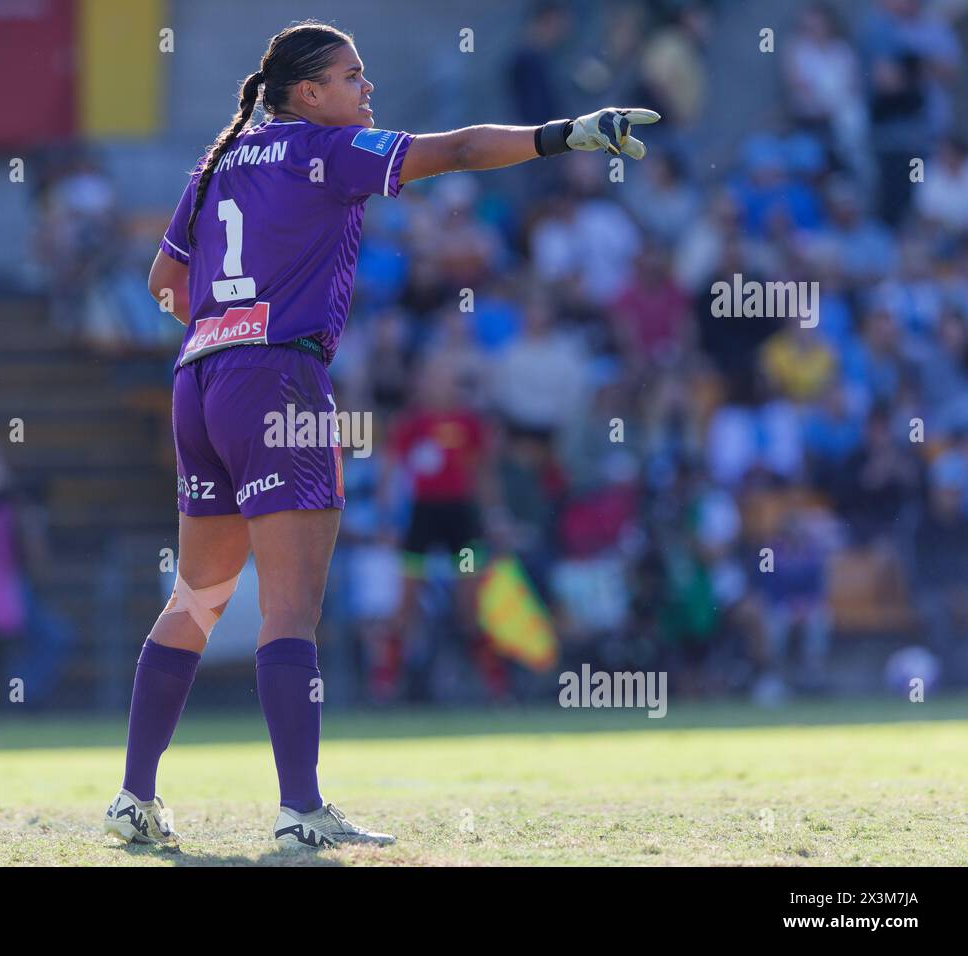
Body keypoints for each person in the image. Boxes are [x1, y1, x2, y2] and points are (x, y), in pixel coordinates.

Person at [105, 20, 658, 850]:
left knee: (195, 599)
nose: (367, 90)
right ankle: (299, 811)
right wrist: (566, 135)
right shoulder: (329, 149)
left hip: (200, 379)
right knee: (290, 609)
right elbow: (466, 150)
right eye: (352, 76)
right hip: (276, 380)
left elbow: (163, 282)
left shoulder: (217, 161)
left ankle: (133, 799)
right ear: (308, 93)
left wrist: (228, 324)